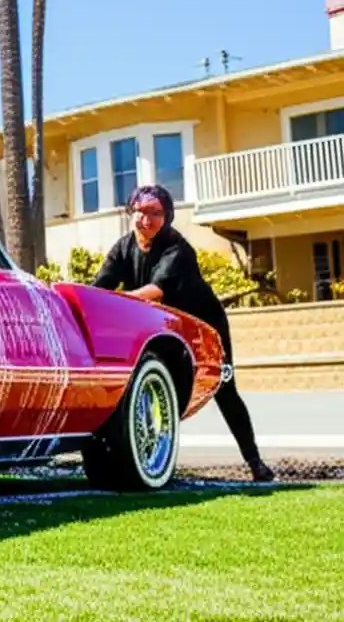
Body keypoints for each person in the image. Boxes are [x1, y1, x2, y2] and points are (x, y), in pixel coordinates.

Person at [91, 184, 276, 483]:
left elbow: (155, 291)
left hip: (205, 328)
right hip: (165, 329)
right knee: (161, 390)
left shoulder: (178, 248)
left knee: (226, 392)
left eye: (155, 213)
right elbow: (99, 289)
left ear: (167, 216)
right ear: (131, 212)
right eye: (140, 212)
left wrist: (118, 304)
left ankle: (255, 462)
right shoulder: (123, 248)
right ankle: (153, 459)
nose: (146, 220)